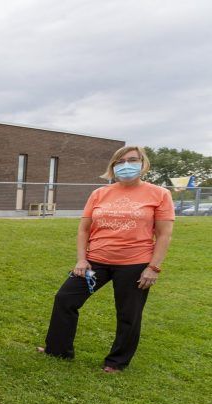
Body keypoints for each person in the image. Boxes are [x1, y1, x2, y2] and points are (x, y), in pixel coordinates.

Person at [39, 146, 174, 372]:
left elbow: (164, 234)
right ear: (112, 167)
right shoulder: (100, 193)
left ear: (143, 163)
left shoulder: (159, 194)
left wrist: (153, 268)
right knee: (65, 298)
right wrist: (82, 260)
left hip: (134, 264)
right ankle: (58, 349)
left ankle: (116, 362)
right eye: (120, 162)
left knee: (128, 314)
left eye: (132, 160)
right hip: (95, 263)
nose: (126, 165)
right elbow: (84, 230)